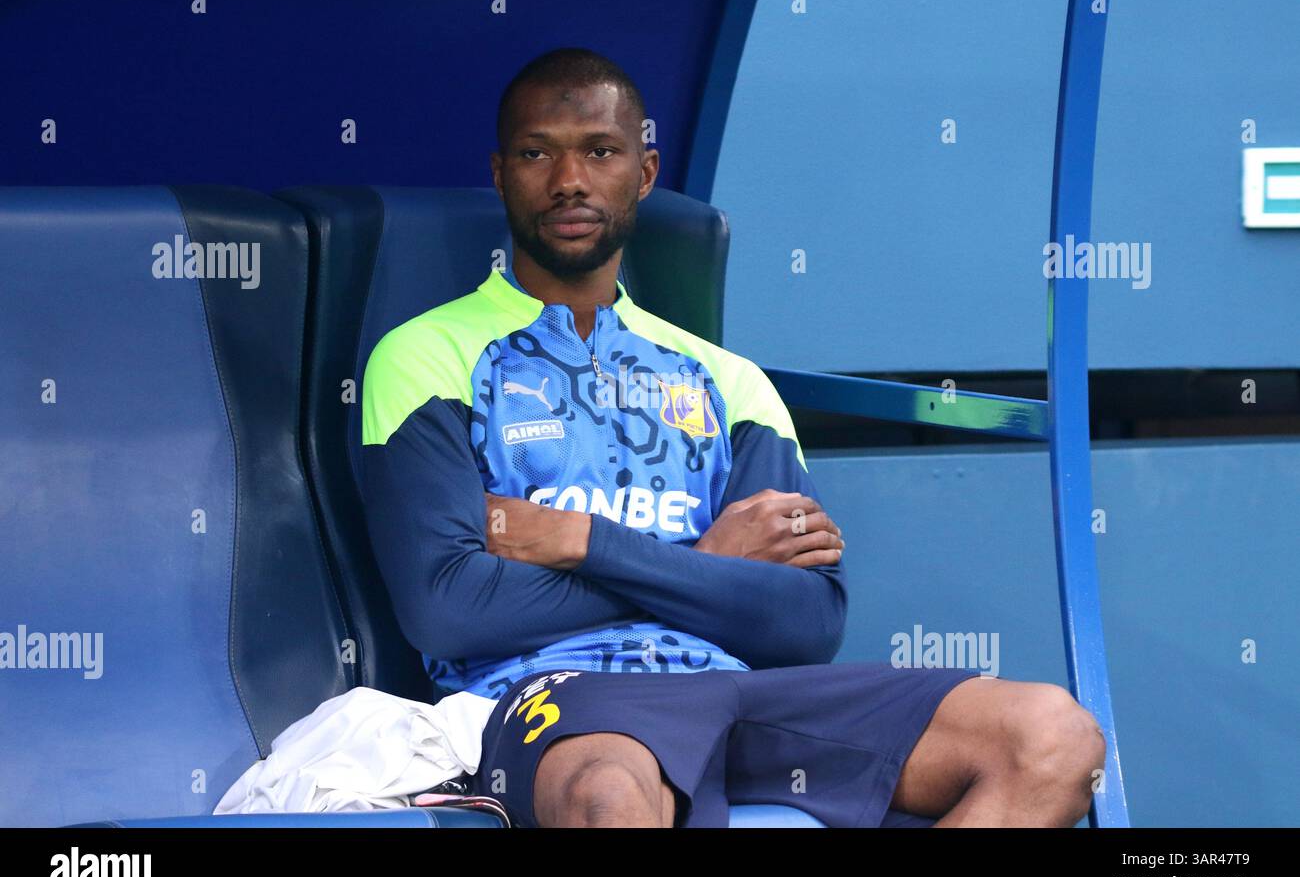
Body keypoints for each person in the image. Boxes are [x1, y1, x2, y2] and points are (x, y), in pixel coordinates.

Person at [360, 47, 1106, 827]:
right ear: (501, 172)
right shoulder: (426, 356)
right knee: (609, 797)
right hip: (560, 698)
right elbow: (449, 609)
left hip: (737, 690)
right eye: (537, 153)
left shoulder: (728, 379)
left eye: (601, 151)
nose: (569, 180)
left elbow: (804, 621)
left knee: (1051, 737)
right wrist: (708, 568)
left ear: (644, 174)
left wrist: (586, 542)